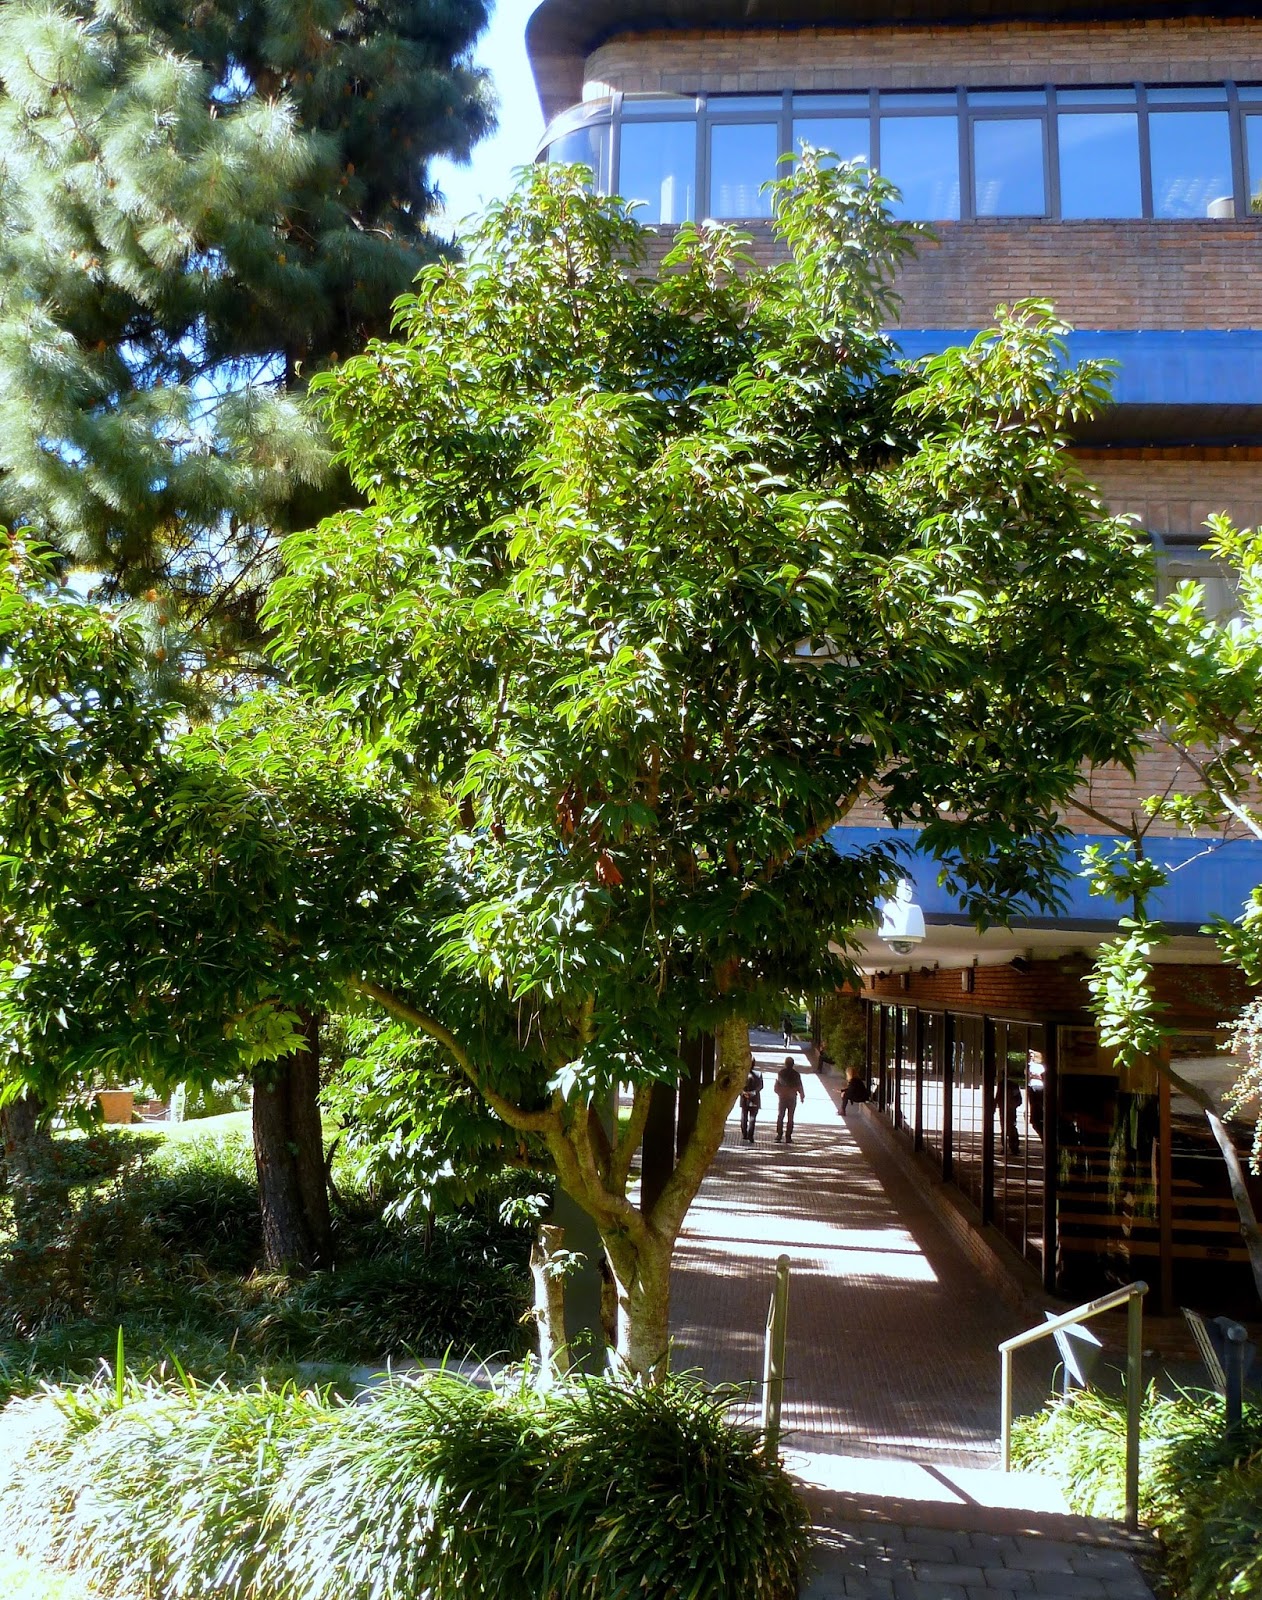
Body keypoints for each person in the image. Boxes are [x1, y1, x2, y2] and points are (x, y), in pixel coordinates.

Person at [774, 1056, 805, 1143]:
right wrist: (802, 1096)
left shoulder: (781, 1073)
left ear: (785, 1064)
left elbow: (778, 1084)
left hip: (783, 1097)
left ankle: (779, 1135)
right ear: (793, 1064)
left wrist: (779, 1092)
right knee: (790, 1117)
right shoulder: (796, 1074)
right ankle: (788, 1137)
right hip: (792, 1098)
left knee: (780, 1116)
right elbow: (799, 1086)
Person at [739, 1067, 763, 1143]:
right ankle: (750, 1135)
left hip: (744, 1099)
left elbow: (738, 1085)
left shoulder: (742, 1074)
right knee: (752, 1117)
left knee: (744, 1116)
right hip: (754, 1099)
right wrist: (753, 1093)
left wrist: (743, 1093)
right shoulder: (758, 1074)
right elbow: (760, 1086)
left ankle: (744, 1134)